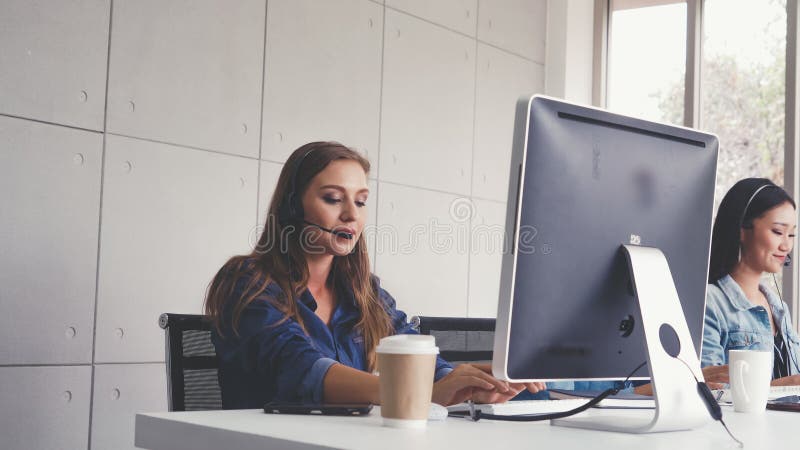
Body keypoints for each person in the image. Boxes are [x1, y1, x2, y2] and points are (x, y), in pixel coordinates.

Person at [204, 141, 545, 408]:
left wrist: (464, 381)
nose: (351, 215)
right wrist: (416, 395)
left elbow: (409, 352)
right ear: (293, 207)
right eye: (333, 198)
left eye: (361, 201)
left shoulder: (363, 290)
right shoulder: (248, 282)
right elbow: (301, 369)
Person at [702, 177, 800, 386]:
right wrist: (785, 385)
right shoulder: (710, 302)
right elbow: (710, 391)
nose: (786, 246)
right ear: (742, 229)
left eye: (791, 234)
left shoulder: (779, 308)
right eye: (778, 232)